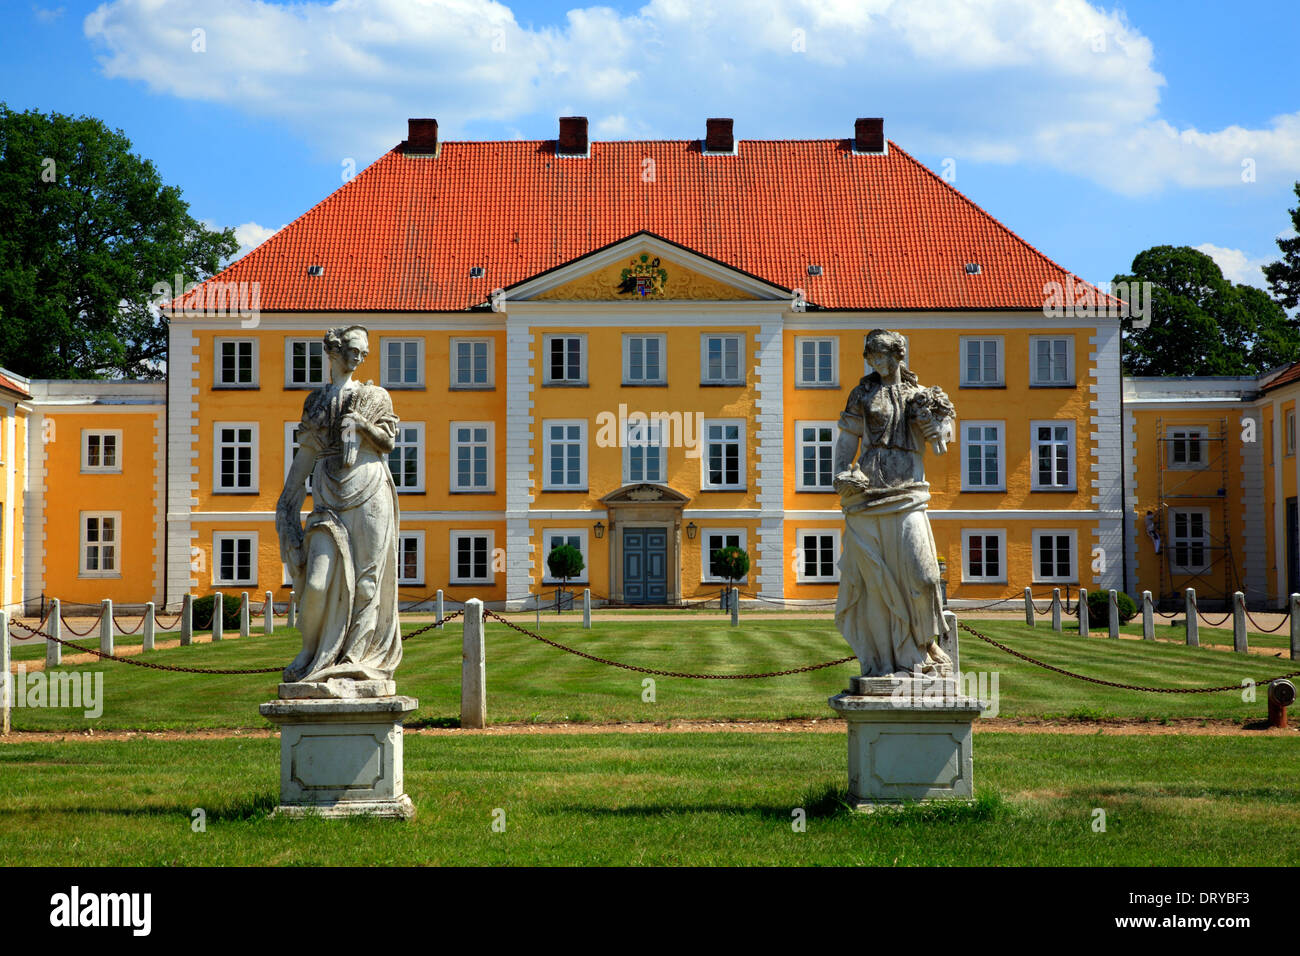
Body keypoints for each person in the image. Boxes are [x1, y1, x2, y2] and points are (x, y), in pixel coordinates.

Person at [275, 325, 403, 685]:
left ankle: (355, 661)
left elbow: (388, 443)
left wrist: (361, 425)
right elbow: (305, 457)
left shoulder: (376, 396)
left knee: (367, 584)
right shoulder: (315, 402)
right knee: (316, 583)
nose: (360, 356)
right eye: (353, 349)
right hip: (328, 495)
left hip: (370, 490)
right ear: (334, 350)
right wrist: (287, 503)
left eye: (364, 351)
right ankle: (312, 652)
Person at [832, 329, 954, 677]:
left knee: (924, 575)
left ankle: (924, 644)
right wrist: (841, 474)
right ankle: (884, 662)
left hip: (909, 493)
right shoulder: (862, 393)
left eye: (881, 355)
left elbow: (943, 440)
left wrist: (934, 424)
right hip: (866, 497)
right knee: (875, 585)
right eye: (870, 356)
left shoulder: (922, 396)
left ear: (899, 355)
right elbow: (847, 440)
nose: (875, 362)